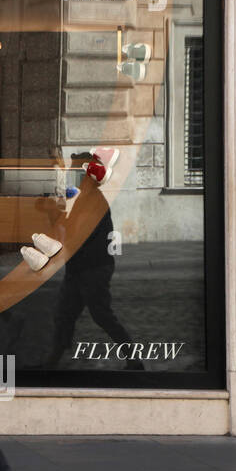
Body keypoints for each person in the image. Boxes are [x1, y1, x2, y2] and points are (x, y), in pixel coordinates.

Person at [44, 152, 141, 370]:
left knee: (101, 315)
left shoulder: (93, 201)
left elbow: (73, 232)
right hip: (80, 267)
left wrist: (53, 215)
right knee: (65, 314)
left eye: (78, 171)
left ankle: (134, 358)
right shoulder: (82, 198)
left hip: (93, 268)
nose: (75, 176)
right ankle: (53, 360)